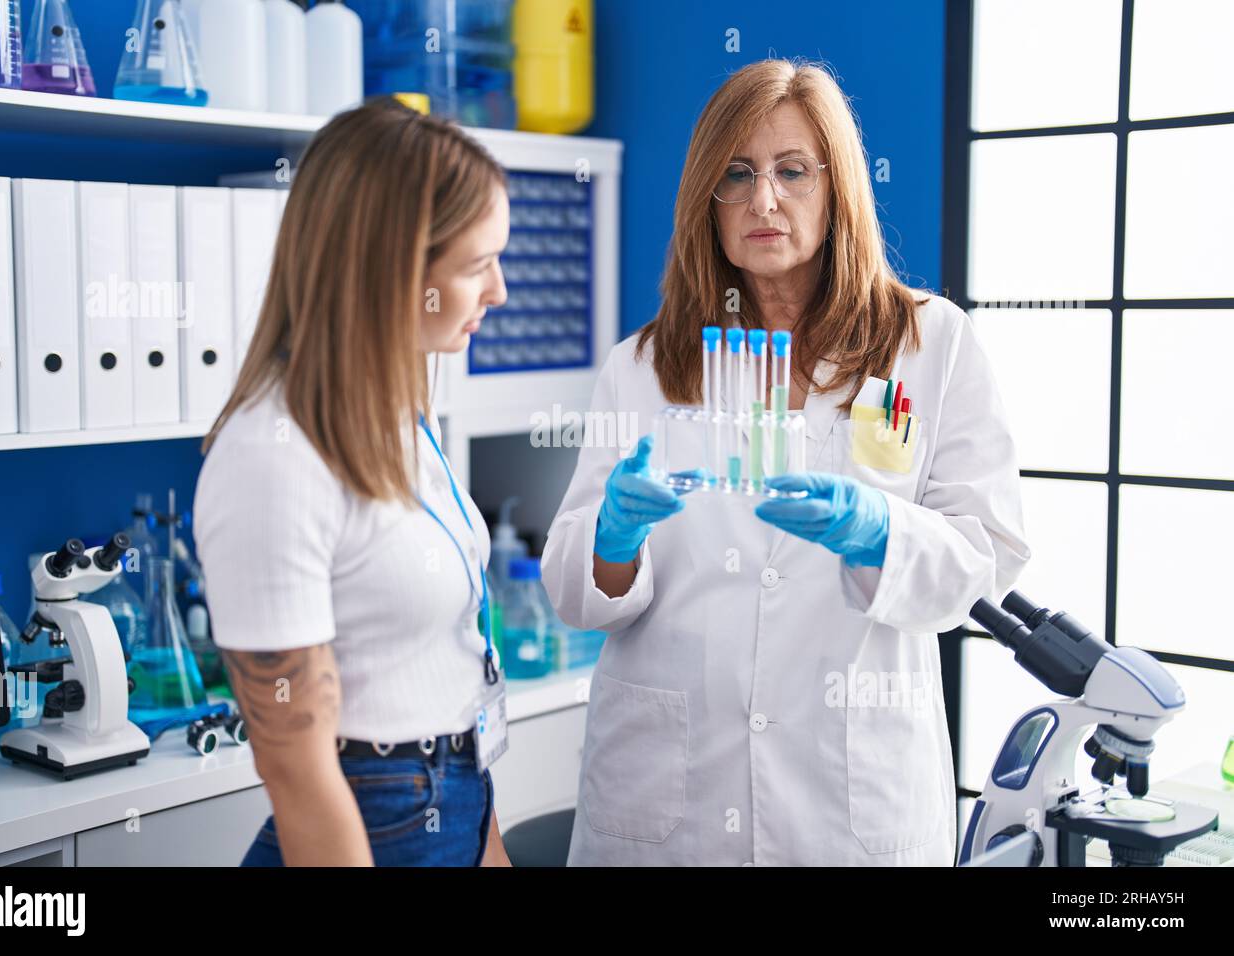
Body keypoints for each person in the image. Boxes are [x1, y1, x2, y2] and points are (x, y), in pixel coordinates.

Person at [541, 60, 1031, 865]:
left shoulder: (927, 346)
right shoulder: (643, 365)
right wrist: (613, 539)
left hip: (851, 799)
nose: (763, 199)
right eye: (736, 174)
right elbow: (576, 589)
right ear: (707, 196)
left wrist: (883, 534)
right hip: (672, 800)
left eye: (792, 171)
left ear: (838, 189)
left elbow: (991, 555)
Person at [194, 98, 513, 866]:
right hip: (367, 822)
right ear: (393, 269)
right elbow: (295, 768)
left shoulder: (398, 419)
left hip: (452, 794)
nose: (498, 292)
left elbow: (450, 664)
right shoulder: (273, 457)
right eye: (476, 266)